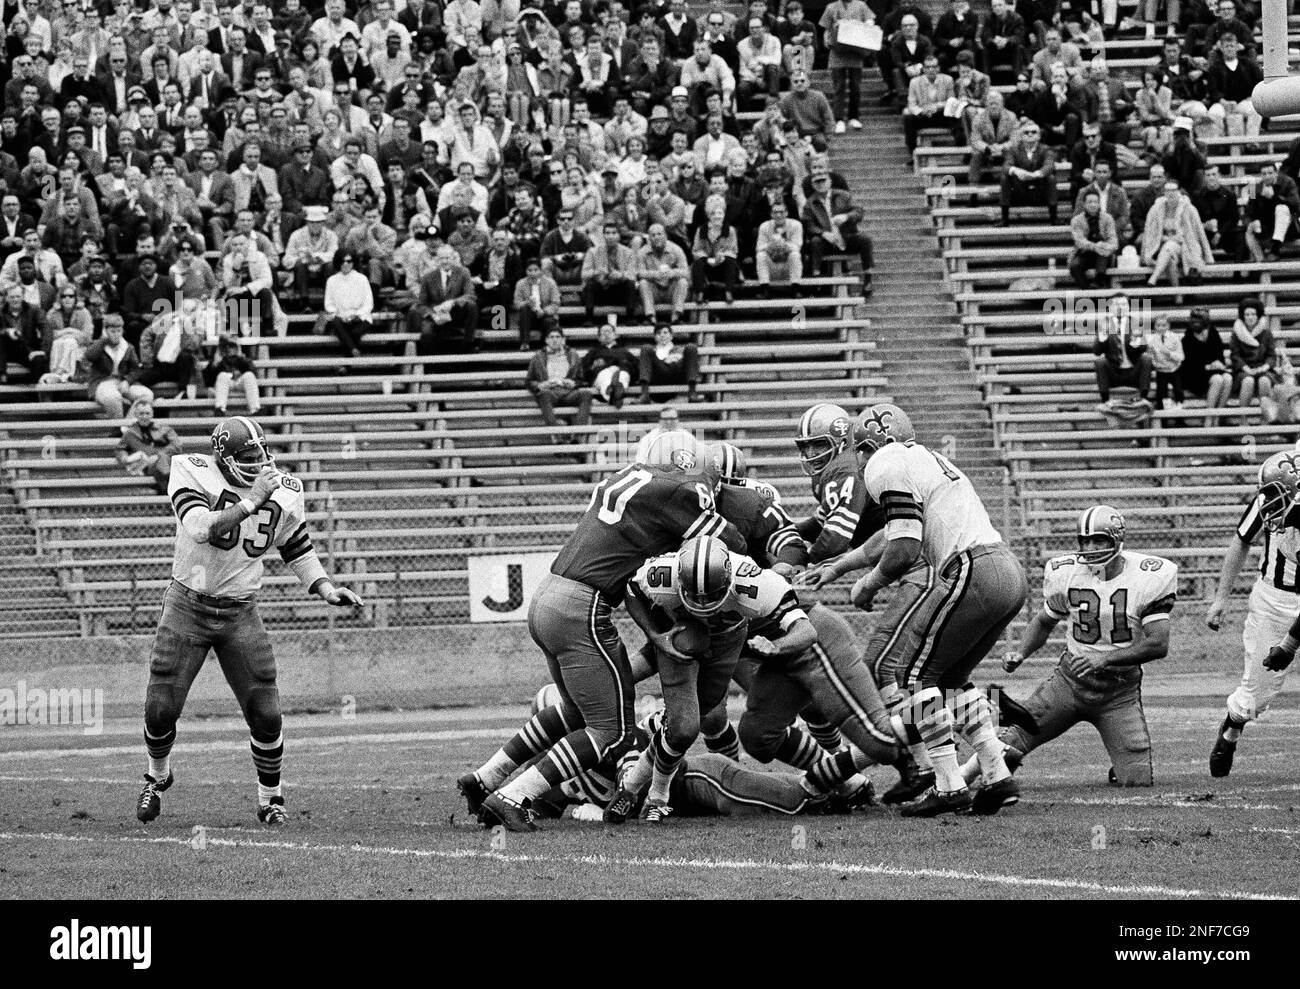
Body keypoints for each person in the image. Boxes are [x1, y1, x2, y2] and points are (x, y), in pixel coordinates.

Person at [462, 430, 745, 832]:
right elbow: (728, 539)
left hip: (548, 599)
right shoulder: (676, 492)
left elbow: (631, 580)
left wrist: (655, 633)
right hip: (582, 607)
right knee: (611, 733)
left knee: (578, 712)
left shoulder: (624, 478)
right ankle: (512, 796)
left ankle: (485, 778)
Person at [798, 404, 1028, 816]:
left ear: (864, 445)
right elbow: (892, 534)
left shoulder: (884, 463)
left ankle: (947, 782)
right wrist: (840, 568)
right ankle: (996, 774)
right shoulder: (927, 459)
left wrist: (869, 583)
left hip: (971, 569)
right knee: (954, 677)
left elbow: (903, 548)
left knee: (910, 674)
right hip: (1007, 571)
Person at [134, 416, 363, 826]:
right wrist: (250, 501)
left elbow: (295, 544)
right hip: (188, 603)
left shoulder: (286, 489)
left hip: (240, 609)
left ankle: (270, 798)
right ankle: (157, 775)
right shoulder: (191, 469)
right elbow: (200, 527)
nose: (257, 463)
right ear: (222, 458)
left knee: (266, 709)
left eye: (259, 454)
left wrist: (326, 587)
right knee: (161, 707)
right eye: (245, 456)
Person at [617, 537, 815, 820]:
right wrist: (655, 635)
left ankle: (637, 768)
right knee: (684, 725)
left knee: (700, 713)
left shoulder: (756, 583)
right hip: (679, 635)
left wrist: (777, 646)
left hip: (728, 641)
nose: (702, 603)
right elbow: (632, 588)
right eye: (695, 595)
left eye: (710, 595)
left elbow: (807, 631)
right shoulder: (664, 573)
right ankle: (653, 794)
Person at [987, 507, 1176, 790]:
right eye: (1084, 542)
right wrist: (1021, 653)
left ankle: (1120, 763)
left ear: (1116, 540)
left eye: (1098, 540)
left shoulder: (1148, 577)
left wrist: (1106, 659)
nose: (1090, 549)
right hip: (1070, 683)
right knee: (1006, 749)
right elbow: (1043, 621)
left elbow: (1158, 644)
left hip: (1118, 691)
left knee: (1136, 781)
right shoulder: (1068, 573)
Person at [1204, 451, 1300, 778]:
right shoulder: (1274, 496)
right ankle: (1231, 730)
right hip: (1274, 600)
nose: (1267, 504)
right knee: (1257, 694)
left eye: (1277, 497)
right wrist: (1220, 598)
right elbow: (1242, 540)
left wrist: (1288, 645)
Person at [802, 164, 872, 293]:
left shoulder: (844, 195)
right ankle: (817, 280)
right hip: (827, 241)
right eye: (816, 182)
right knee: (815, 242)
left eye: (823, 181)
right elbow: (808, 224)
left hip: (846, 236)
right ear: (812, 184)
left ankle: (868, 278)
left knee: (865, 240)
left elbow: (858, 211)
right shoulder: (810, 203)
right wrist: (823, 233)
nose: (820, 184)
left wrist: (846, 216)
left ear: (830, 182)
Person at [1141, 180, 1214, 287]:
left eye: (1173, 190)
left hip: (1185, 245)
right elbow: (1151, 233)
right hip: (1160, 245)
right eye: (1167, 190)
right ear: (1164, 192)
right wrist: (1164, 239)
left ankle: (1154, 277)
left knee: (1169, 246)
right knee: (1170, 258)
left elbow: (1199, 232)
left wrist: (1207, 255)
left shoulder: (1189, 208)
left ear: (1179, 191)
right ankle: (1178, 295)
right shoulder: (1156, 209)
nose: (1170, 193)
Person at [81, 313, 154, 418]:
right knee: (113, 397)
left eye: (119, 331)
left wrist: (127, 381)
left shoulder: (128, 347)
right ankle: (118, 427)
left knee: (147, 395)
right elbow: (89, 356)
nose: (116, 334)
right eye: (112, 331)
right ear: (106, 331)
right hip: (102, 382)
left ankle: (126, 427)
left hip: (121, 382)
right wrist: (103, 340)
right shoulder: (99, 345)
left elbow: (136, 369)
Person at [526, 326, 592, 436]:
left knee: (586, 394)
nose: (555, 339)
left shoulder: (573, 355)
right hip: (550, 392)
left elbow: (581, 379)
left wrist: (574, 383)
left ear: (563, 339)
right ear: (546, 340)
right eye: (551, 337)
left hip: (568, 393)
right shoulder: (538, 357)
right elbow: (528, 381)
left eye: (557, 337)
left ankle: (578, 433)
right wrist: (540, 385)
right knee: (544, 394)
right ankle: (556, 434)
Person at [412, 244, 478, 353]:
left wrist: (453, 302)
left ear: (453, 258)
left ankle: (468, 346)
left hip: (456, 313)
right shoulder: (428, 277)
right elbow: (421, 304)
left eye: (447, 258)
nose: (445, 261)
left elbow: (471, 295)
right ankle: (432, 365)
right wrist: (433, 314)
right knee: (426, 333)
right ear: (437, 260)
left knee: (472, 306)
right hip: (436, 315)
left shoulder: (464, 272)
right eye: (441, 258)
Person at [819, 0, 873, 131]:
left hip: (855, 52)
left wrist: (865, 25)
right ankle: (838, 119)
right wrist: (827, 40)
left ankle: (854, 117)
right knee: (839, 87)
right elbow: (826, 29)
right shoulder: (831, 7)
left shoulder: (861, 6)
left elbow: (870, 22)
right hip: (837, 53)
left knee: (855, 87)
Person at [1093, 294, 1153, 403]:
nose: (1120, 307)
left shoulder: (1136, 322)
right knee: (1100, 362)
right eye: (1116, 304)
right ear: (1110, 308)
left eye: (1124, 304)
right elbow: (1096, 351)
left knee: (1146, 358)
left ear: (1129, 307)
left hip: (1134, 372)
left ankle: (1144, 398)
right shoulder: (1104, 323)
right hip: (1114, 373)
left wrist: (1136, 341)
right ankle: (1105, 400)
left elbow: (1144, 348)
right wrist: (1103, 338)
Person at [118, 398, 183, 495]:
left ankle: (164, 489)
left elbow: (177, 445)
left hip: (166, 460)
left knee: (161, 459)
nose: (145, 416)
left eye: (147, 413)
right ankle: (168, 486)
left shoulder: (164, 429)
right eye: (141, 413)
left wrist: (159, 454)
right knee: (156, 463)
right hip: (147, 465)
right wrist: (125, 458)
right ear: (135, 414)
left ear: (152, 414)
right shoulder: (129, 434)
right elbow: (120, 449)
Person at [1000, 120, 1057, 225]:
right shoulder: (1013, 150)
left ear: (1039, 136)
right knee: (1005, 177)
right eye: (1026, 132)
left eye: (1034, 132)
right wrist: (1017, 171)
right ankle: (1004, 219)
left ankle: (1054, 218)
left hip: (1040, 193)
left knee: (1051, 177)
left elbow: (1049, 166)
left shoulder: (1046, 149)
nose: (1030, 134)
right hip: (1020, 192)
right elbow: (1006, 166)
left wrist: (1034, 175)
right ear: (1021, 136)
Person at [281, 204, 338, 307]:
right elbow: (286, 260)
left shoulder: (331, 235)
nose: (315, 225)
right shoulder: (296, 235)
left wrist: (319, 257)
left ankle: (328, 302)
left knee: (330, 265)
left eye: (318, 222)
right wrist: (303, 259)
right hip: (302, 274)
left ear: (323, 223)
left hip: (323, 272)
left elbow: (335, 254)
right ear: (307, 222)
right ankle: (305, 302)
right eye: (312, 222)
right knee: (300, 263)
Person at [322, 252, 374, 361]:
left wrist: (356, 315)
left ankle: (347, 362)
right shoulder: (331, 280)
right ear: (338, 263)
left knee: (354, 332)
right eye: (342, 261)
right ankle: (353, 348)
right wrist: (341, 315)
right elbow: (329, 304)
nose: (345, 264)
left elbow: (368, 303)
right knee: (336, 322)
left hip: (360, 317)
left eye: (349, 261)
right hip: (341, 317)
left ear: (353, 262)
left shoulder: (362, 279)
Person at [903, 55, 959, 153]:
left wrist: (937, 107)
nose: (931, 69)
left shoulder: (948, 79)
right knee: (908, 117)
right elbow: (911, 104)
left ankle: (961, 148)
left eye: (934, 67)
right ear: (923, 69)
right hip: (924, 116)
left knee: (957, 113)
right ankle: (913, 152)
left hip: (941, 115)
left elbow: (951, 101)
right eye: (928, 67)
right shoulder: (914, 82)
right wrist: (922, 111)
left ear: (938, 68)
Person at [1244, 163, 1299, 262]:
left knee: (1281, 208)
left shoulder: (1288, 182)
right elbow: (1248, 211)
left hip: (1288, 227)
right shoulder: (1253, 188)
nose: (1267, 176)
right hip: (1266, 227)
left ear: (1276, 173)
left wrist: (1274, 197)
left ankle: (1275, 250)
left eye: (1270, 173)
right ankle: (1259, 261)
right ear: (1260, 175)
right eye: (1264, 174)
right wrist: (1252, 223)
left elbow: (1295, 204)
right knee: (1249, 228)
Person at [637, 223, 690, 323]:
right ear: (649, 238)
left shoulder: (676, 249)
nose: (656, 237)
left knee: (683, 282)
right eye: (653, 235)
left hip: (671, 289)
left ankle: (676, 316)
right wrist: (656, 274)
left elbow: (686, 272)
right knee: (643, 283)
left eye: (659, 234)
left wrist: (671, 273)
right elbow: (639, 273)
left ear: (665, 236)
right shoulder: (642, 252)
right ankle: (650, 317)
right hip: (654, 290)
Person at [691, 194, 739, 303]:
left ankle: (728, 291)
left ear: (724, 214)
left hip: (723, 263)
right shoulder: (701, 230)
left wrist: (721, 257)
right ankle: (700, 293)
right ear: (708, 215)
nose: (717, 216)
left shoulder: (730, 230)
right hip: (707, 264)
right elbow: (696, 250)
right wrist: (708, 259)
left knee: (731, 261)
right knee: (697, 264)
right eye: (713, 213)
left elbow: (733, 250)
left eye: (720, 213)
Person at [580, 322, 638, 411]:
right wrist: (593, 367)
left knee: (622, 376)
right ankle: (615, 394)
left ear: (615, 335)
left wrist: (623, 365)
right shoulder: (593, 352)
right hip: (602, 372)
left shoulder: (624, 351)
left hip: (621, 371)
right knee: (605, 379)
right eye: (603, 332)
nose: (606, 334)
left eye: (609, 332)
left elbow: (636, 368)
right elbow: (583, 369)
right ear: (599, 338)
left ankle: (612, 395)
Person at [1181, 307, 1232, 408]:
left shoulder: (1213, 333)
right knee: (1217, 379)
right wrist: (1208, 366)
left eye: (1199, 320)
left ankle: (1218, 416)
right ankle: (1209, 417)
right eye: (1194, 320)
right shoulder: (1187, 339)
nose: (1196, 323)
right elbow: (1189, 366)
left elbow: (1220, 355)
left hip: (1213, 371)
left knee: (1228, 378)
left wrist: (1219, 363)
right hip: (1195, 375)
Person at [967, 90, 1018, 190]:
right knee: (976, 154)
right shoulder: (978, 118)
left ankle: (1008, 186)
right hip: (986, 151)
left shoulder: (1011, 117)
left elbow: (1015, 139)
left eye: (996, 103)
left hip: (1004, 150)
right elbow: (975, 140)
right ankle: (973, 191)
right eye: (991, 103)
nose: (994, 106)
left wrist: (1002, 147)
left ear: (1002, 104)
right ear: (986, 104)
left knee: (1014, 153)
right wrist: (987, 148)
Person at [1229, 296, 1275, 407]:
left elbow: (1271, 355)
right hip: (1243, 370)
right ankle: (1242, 419)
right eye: (1247, 314)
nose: (1250, 317)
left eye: (1253, 314)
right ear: (1243, 316)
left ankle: (1265, 420)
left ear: (1258, 315)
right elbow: (1235, 356)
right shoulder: (1236, 333)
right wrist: (1247, 369)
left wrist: (1263, 368)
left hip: (1263, 368)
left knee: (1264, 381)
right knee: (1248, 381)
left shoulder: (1266, 333)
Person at [638, 323, 701, 404]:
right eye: (658, 333)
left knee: (691, 347)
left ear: (671, 336)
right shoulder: (651, 351)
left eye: (665, 333)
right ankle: (644, 394)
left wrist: (676, 358)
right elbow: (644, 366)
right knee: (645, 348)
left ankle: (692, 393)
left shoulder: (680, 349)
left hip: (677, 375)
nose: (662, 335)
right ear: (655, 337)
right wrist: (664, 360)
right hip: (659, 376)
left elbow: (692, 364)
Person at [1068, 189, 1118, 288]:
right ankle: (1088, 291)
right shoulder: (1076, 220)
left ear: (1099, 204)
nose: (1093, 205)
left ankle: (1098, 283)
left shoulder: (1108, 218)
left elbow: (1114, 242)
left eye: (1096, 202)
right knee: (1074, 266)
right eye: (1090, 202)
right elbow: (1079, 241)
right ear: (1084, 204)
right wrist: (1095, 246)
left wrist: (1103, 246)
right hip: (1085, 253)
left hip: (1104, 254)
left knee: (1103, 255)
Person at [0, 284, 48, 384]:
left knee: (38, 359)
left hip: (27, 350)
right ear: (7, 298)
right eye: (12, 297)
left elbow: (46, 330)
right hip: (6, 351)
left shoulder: (33, 310)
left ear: (22, 297)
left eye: (18, 296)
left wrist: (43, 351)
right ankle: (2, 377)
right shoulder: (1, 312)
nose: (15, 299)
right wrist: (6, 331)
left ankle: (36, 393)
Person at [204, 333, 261, 417]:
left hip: (239, 383)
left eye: (231, 345)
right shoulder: (216, 358)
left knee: (249, 375)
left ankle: (255, 409)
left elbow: (254, 374)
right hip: (223, 386)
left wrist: (241, 357)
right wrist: (215, 364)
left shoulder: (242, 358)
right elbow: (208, 381)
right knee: (222, 375)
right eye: (225, 345)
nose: (228, 348)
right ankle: (220, 409)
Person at [512, 256, 560, 350]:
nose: (533, 273)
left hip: (545, 315)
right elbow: (517, 304)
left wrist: (544, 311)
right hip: (529, 317)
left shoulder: (550, 283)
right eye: (529, 270)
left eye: (535, 270)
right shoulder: (520, 284)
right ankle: (525, 343)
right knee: (525, 310)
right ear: (526, 271)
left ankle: (547, 345)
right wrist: (527, 303)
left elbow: (555, 303)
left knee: (549, 321)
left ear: (540, 270)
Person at [755, 199, 803, 290]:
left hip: (788, 266)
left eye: (781, 212)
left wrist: (782, 243)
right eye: (775, 212)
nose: (778, 215)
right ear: (771, 214)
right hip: (772, 267)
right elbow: (759, 248)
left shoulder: (796, 225)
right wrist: (772, 244)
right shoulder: (764, 226)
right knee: (760, 256)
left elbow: (797, 246)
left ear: (786, 213)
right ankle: (764, 289)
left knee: (795, 255)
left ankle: (795, 288)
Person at [1148, 314, 1185, 410]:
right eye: (1158, 325)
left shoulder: (1175, 338)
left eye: (1163, 325)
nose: (1160, 328)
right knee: (1161, 394)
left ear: (1168, 326)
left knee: (1178, 391)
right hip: (1161, 371)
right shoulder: (1152, 340)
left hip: (1174, 369)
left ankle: (1179, 417)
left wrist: (1169, 353)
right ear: (1154, 326)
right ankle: (1164, 420)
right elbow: (1150, 356)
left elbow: (1181, 357)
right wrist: (1155, 363)